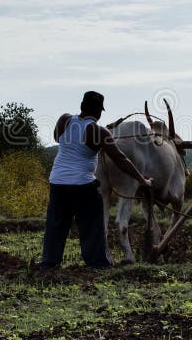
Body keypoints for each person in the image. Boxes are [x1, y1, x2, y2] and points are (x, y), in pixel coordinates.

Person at [39, 91, 153, 270]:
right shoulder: (98, 131)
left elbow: (56, 137)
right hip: (82, 185)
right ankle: (97, 263)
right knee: (92, 224)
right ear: (100, 112)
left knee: (56, 224)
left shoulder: (64, 120)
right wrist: (142, 179)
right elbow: (121, 159)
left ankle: (49, 263)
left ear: (82, 106)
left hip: (57, 182)